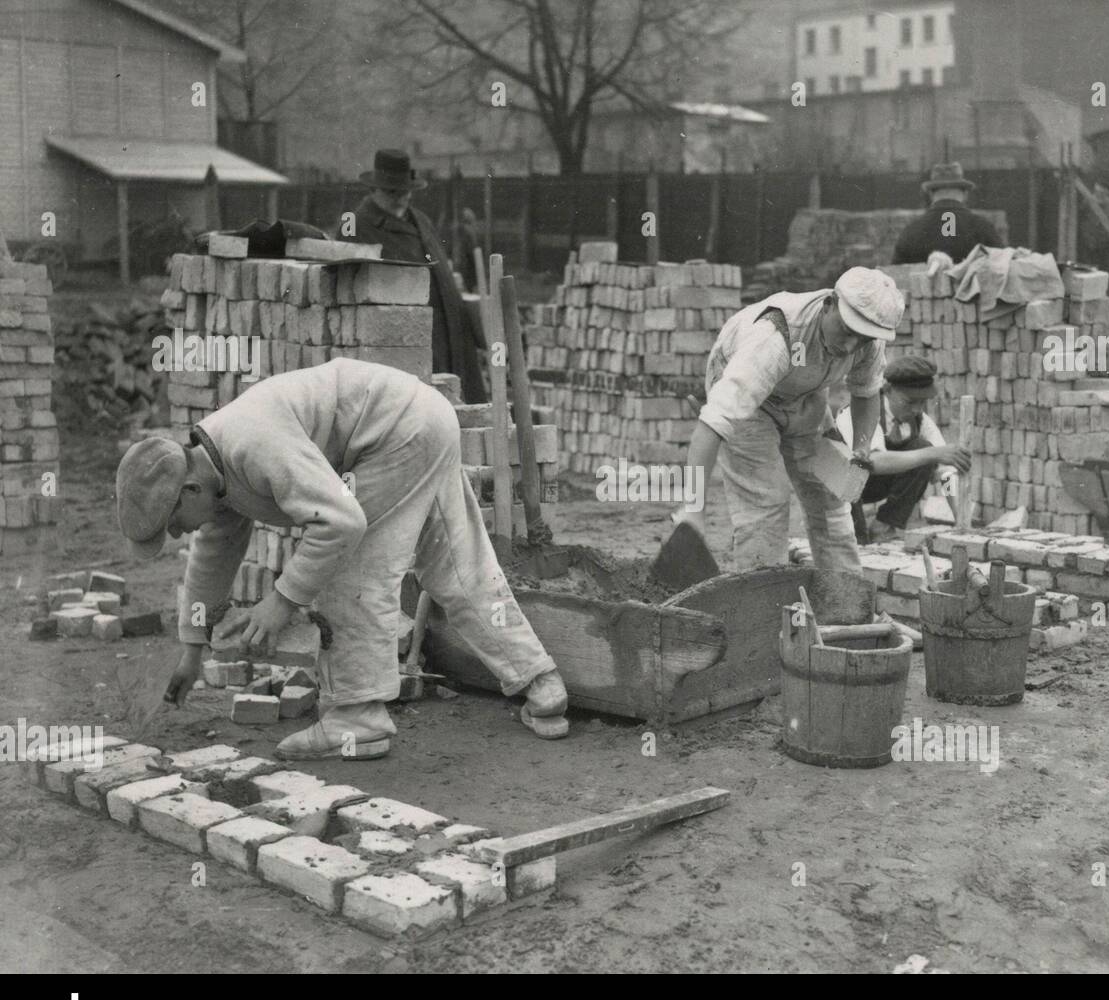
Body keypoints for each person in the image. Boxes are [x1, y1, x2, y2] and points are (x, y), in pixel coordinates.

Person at [115, 359, 571, 758]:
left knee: (344, 568)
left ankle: (358, 720)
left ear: (188, 491)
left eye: (173, 524)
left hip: (397, 432)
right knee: (455, 563)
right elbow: (212, 555)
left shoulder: (252, 444)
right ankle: (539, 681)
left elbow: (340, 522)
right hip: (423, 419)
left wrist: (282, 600)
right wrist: (193, 649)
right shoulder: (211, 471)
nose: (179, 534)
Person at [675, 267, 905, 571]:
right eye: (847, 332)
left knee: (835, 496)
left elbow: (866, 391)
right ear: (830, 304)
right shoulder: (775, 337)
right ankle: (763, 601)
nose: (851, 347)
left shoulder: (868, 339)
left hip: (806, 396)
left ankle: (846, 599)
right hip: (752, 405)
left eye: (862, 339)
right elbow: (712, 423)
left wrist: (861, 450)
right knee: (766, 502)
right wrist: (693, 510)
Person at [336, 149, 486, 402]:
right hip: (402, 339)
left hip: (448, 331)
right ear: (373, 189)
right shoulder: (356, 224)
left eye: (405, 191)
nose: (401, 198)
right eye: (391, 192)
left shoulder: (421, 220)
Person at [833, 355, 972, 542]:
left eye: (922, 402)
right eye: (910, 402)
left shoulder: (920, 421)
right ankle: (858, 535)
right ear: (888, 390)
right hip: (841, 485)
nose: (917, 409)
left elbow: (946, 473)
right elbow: (873, 462)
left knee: (923, 448)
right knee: (855, 546)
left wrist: (959, 517)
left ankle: (884, 525)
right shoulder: (861, 413)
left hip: (875, 486)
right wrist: (932, 454)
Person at [893, 162, 1003, 265]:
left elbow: (896, 275)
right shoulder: (983, 228)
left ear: (931, 194)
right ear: (965, 193)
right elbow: (1003, 268)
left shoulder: (911, 231)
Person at [1079, 180, 1109, 270]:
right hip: (1089, 240)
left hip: (1105, 242)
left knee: (1103, 267)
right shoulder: (1087, 201)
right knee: (1089, 267)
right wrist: (1086, 234)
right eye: (1098, 191)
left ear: (1107, 192)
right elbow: (1081, 218)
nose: (1100, 194)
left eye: (1102, 192)